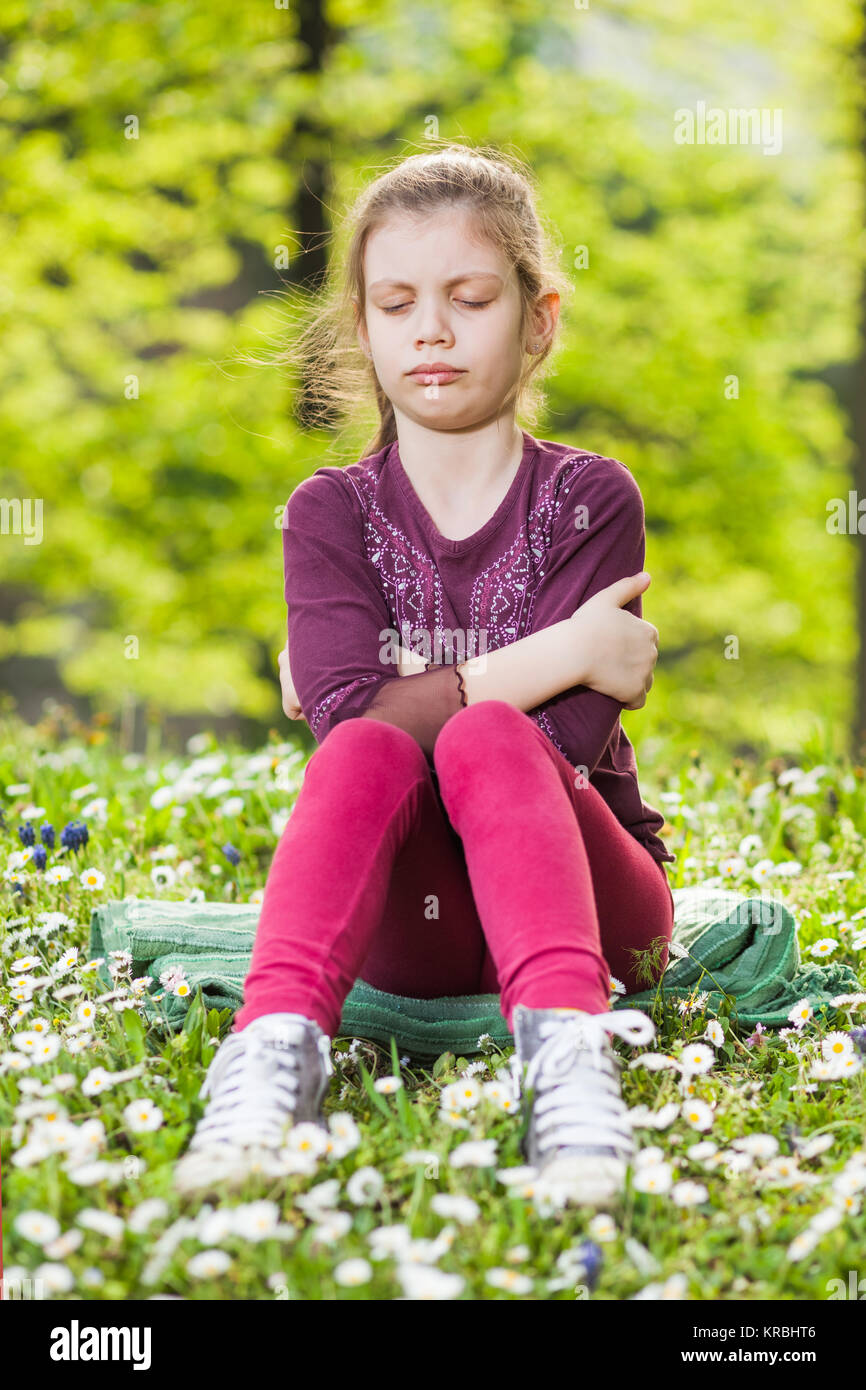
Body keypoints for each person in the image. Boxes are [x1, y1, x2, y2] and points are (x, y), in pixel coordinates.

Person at [174, 143, 675, 1205]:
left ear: (538, 318)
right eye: (395, 303)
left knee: (484, 738)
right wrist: (565, 651)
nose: (431, 330)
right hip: (409, 925)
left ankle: (571, 1064)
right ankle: (271, 1055)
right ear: (362, 328)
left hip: (590, 906)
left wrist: (409, 688)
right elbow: (354, 723)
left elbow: (557, 744)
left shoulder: (591, 500)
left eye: (470, 297)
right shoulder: (329, 513)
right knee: (367, 744)